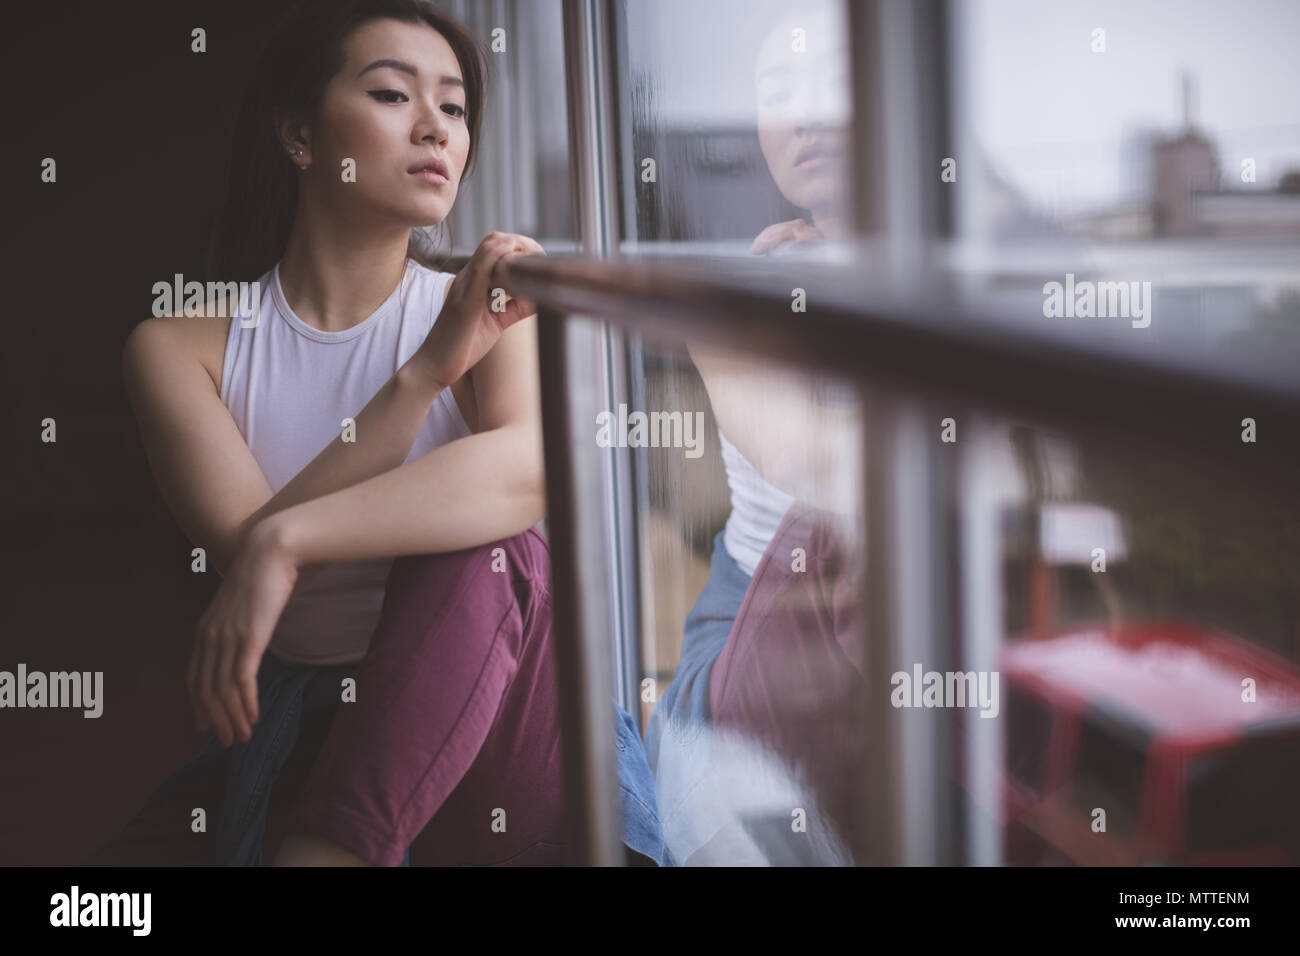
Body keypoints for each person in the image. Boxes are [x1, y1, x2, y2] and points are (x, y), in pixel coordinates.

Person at [95, 0, 666, 867]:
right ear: (300, 135)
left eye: (456, 107)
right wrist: (423, 376)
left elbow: (526, 477)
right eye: (396, 95)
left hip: (510, 727)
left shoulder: (493, 294)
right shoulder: (180, 348)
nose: (437, 126)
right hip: (319, 723)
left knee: (488, 549)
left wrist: (285, 537)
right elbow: (249, 552)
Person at [644, 0, 867, 865]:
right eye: (779, 88)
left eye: (837, 81)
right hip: (758, 639)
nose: (805, 110)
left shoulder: (964, 272)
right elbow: (807, 460)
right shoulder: (737, 291)